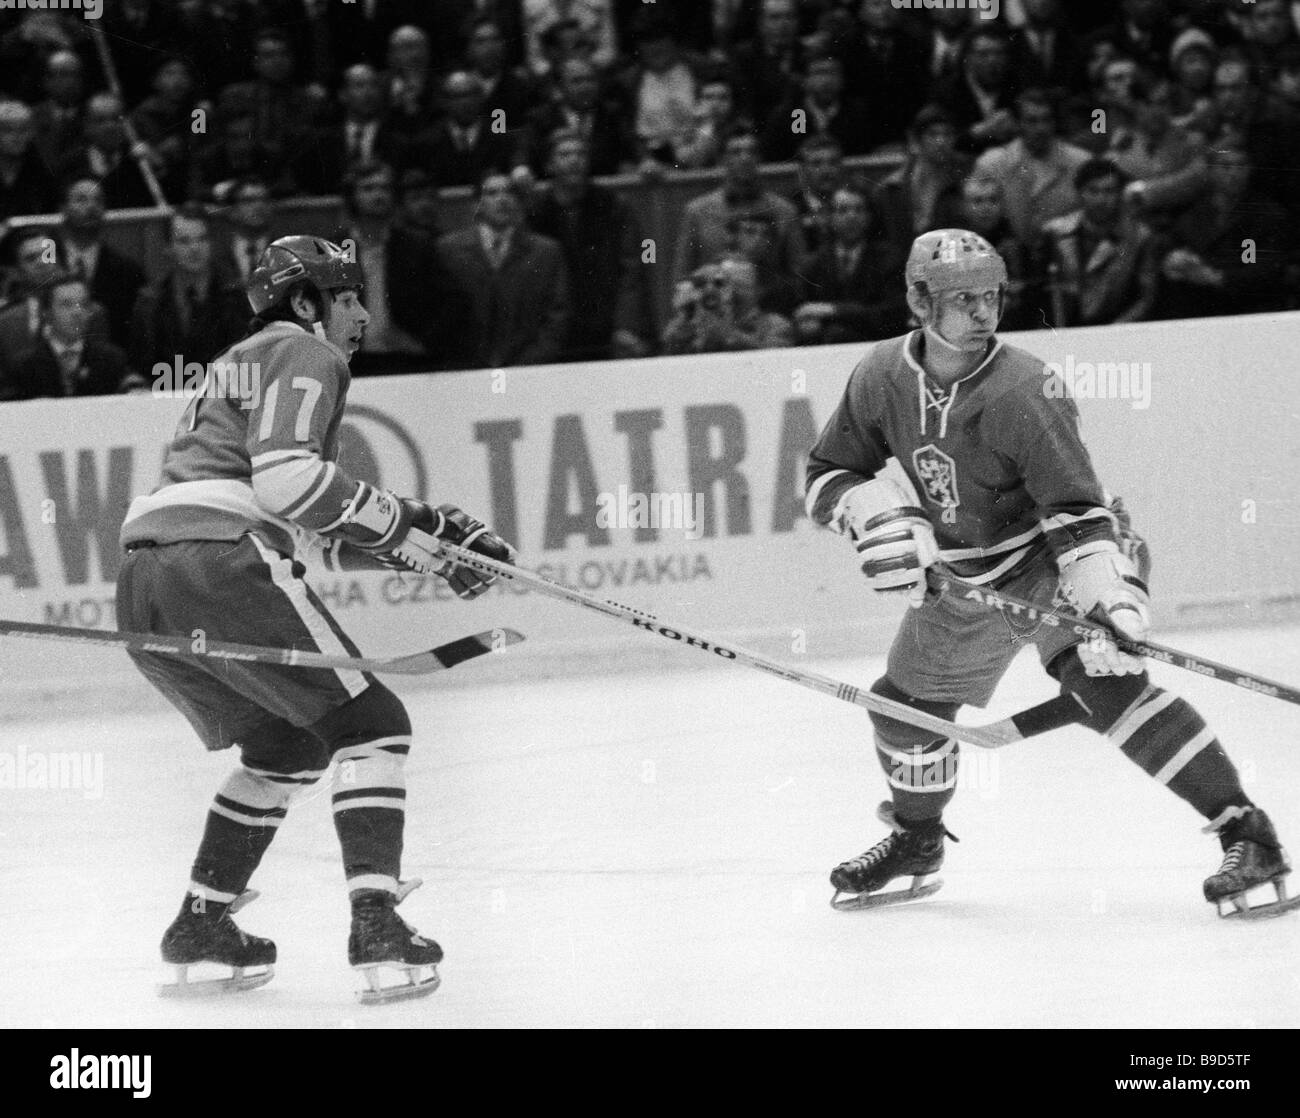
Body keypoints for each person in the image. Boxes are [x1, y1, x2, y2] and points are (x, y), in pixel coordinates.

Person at [803, 228, 1292, 918]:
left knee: (1105, 686)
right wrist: (874, 516)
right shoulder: (880, 375)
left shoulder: (1024, 388)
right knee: (904, 709)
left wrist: (1107, 599)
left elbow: (1081, 515)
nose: (983, 314)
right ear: (918, 299)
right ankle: (917, 839)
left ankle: (1249, 832)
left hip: (1044, 559)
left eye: (992, 297)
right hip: (963, 577)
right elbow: (828, 471)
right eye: (964, 299)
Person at [115, 234, 515, 1001]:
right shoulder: (305, 352)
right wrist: (415, 517)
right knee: (373, 728)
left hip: (148, 575)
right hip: (222, 560)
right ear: (306, 303)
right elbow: (292, 479)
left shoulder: (239, 360)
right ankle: (378, 926)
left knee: (286, 744)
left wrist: (422, 552)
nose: (362, 314)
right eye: (348, 296)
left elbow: (299, 527)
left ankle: (202, 923)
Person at [2, 271, 134, 400]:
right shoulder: (24, 366)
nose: (77, 312)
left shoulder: (111, 360)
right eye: (66, 305)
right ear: (46, 313)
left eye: (83, 304)